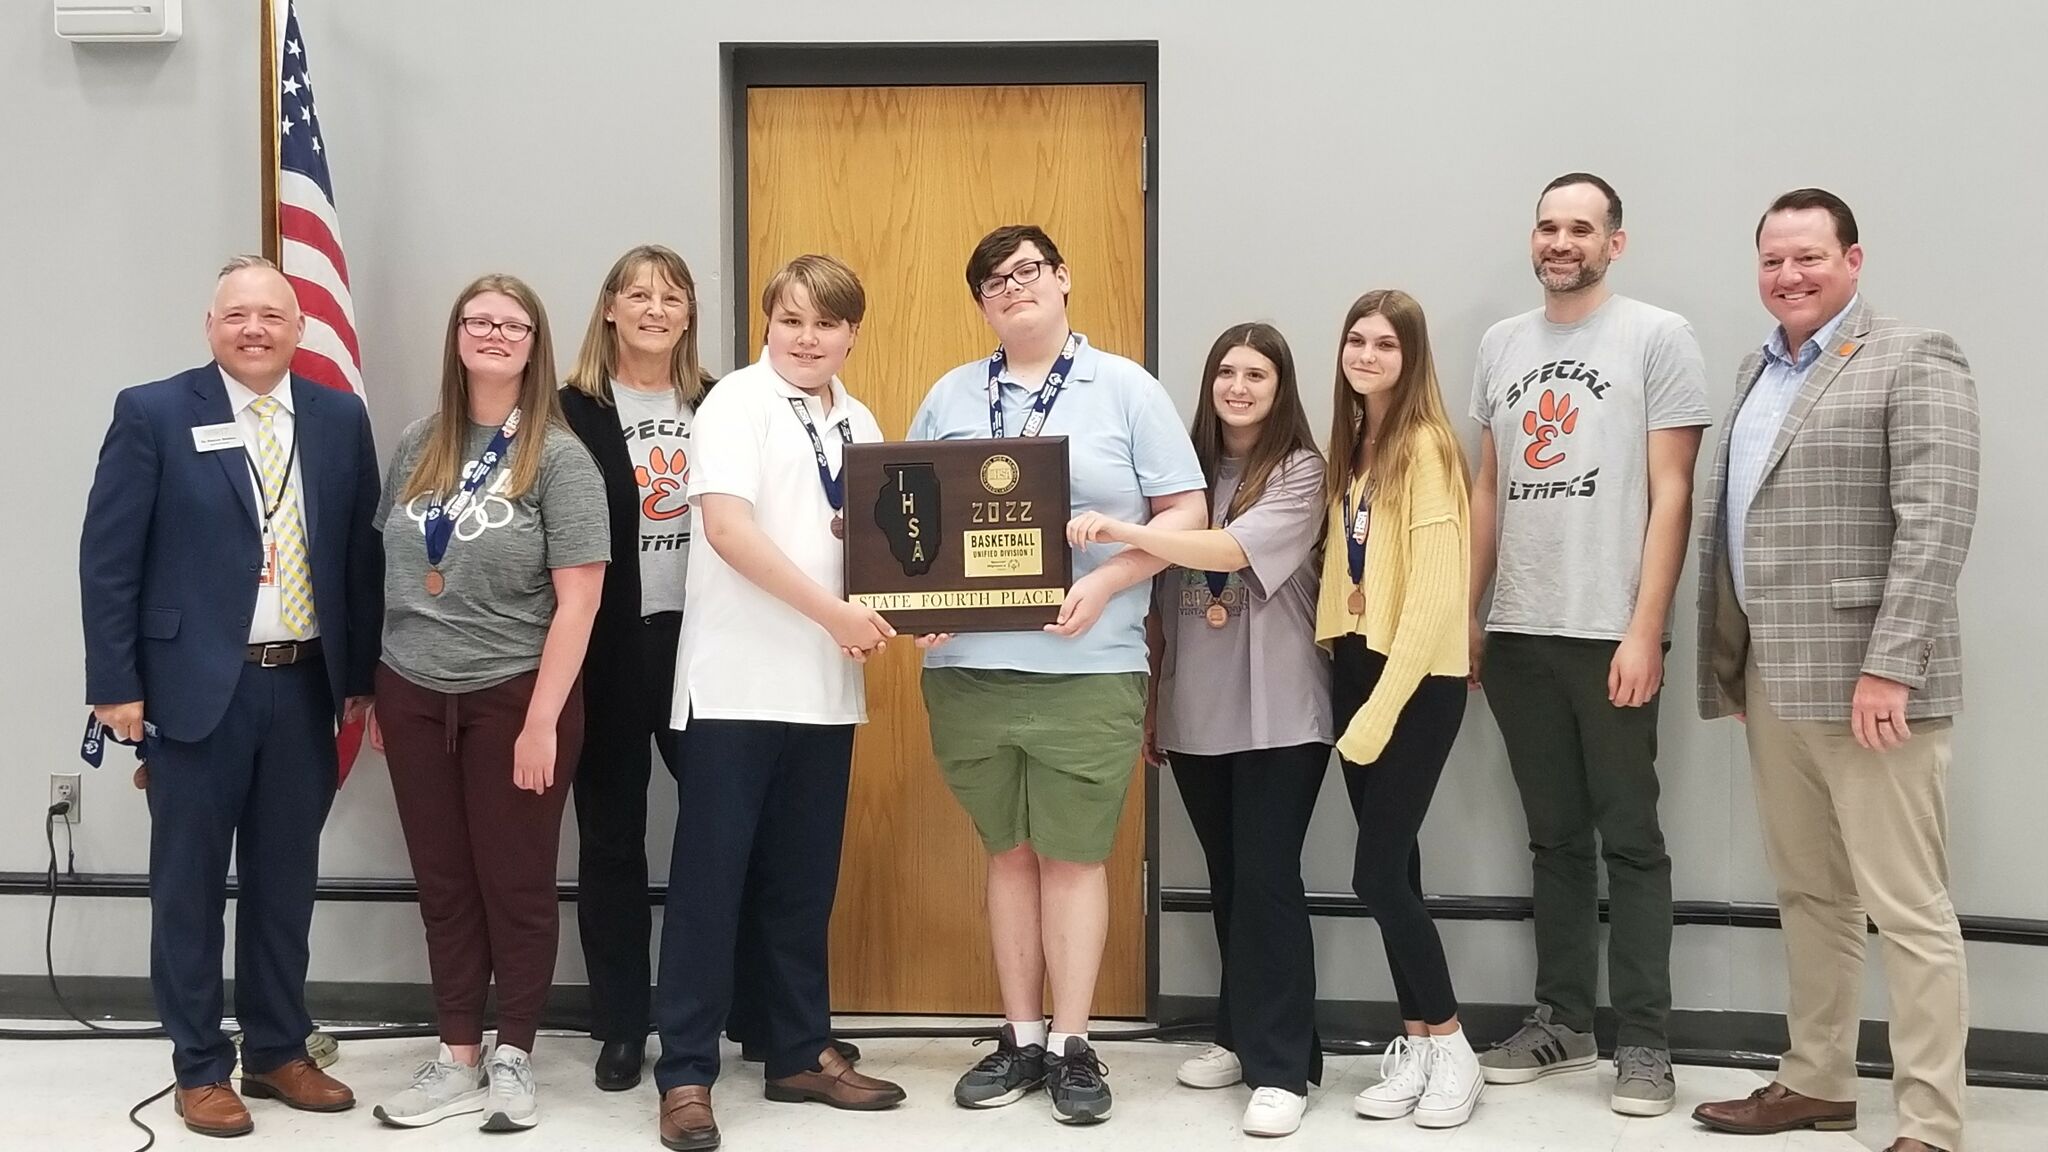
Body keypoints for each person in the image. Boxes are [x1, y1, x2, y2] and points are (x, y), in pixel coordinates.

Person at [1690, 189, 1979, 1152]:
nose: (1790, 275)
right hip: (1774, 682)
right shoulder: (1756, 369)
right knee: (1811, 895)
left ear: (1852, 260)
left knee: (1909, 909)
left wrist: (1892, 666)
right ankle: (1817, 1080)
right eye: (1773, 260)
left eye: (1809, 256)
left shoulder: (1914, 355)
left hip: (1873, 691)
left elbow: (1937, 520)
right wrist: (1735, 665)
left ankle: (1931, 1123)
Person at [79, 255, 380, 1137]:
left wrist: (360, 675)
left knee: (287, 883)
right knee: (190, 888)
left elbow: (359, 557)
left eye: (272, 316)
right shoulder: (154, 412)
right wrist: (115, 684)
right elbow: (108, 560)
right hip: (192, 692)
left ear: (299, 329)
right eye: (238, 315)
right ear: (210, 326)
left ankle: (279, 1049)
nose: (255, 329)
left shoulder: (338, 418)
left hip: (305, 684)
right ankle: (200, 1066)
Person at [914, 224, 1207, 1126]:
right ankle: (1021, 1036)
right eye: (993, 282)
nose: (1013, 288)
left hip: (1089, 667)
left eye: (1027, 271)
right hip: (969, 671)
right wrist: (918, 603)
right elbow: (911, 511)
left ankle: (1075, 1045)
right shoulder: (951, 393)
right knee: (1007, 854)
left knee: (1074, 858)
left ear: (1063, 278)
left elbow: (1187, 512)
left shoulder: (1126, 388)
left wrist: (1111, 578)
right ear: (981, 304)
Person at [1468, 173, 1710, 1116]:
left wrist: (1645, 628)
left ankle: (1645, 1041)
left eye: (1581, 227)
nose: (1560, 242)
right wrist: (1471, 614)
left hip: (1610, 631)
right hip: (1520, 633)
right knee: (1555, 838)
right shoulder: (1501, 344)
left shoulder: (1658, 336)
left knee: (1633, 841)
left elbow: (1673, 490)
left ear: (1616, 241)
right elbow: (1489, 489)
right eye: (1547, 226)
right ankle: (1564, 1020)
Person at [654, 255, 906, 1152]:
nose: (807, 337)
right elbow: (728, 531)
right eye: (791, 319)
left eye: (826, 323)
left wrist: (921, 611)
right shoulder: (736, 403)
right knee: (709, 887)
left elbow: (880, 548)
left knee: (802, 886)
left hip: (823, 691)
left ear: (852, 334)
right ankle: (686, 1073)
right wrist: (835, 613)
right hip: (735, 686)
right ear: (767, 322)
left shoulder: (860, 420)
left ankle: (799, 1051)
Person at [1069, 322, 1328, 1137]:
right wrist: (1156, 708)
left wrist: (1123, 532)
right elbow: (1157, 611)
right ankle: (1238, 1035)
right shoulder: (1184, 472)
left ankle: (1284, 1068)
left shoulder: (1301, 471)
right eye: (1226, 372)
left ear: (1281, 388)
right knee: (1228, 879)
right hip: (1196, 710)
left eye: (1256, 375)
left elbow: (1224, 551)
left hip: (1281, 713)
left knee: (1268, 879)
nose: (1238, 388)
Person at [369, 274, 609, 1132]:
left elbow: (580, 602)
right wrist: (381, 690)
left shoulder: (560, 457)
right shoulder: (419, 442)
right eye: (479, 321)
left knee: (516, 885)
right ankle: (457, 1054)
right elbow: (390, 569)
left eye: (513, 325)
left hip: (515, 697)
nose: (495, 334)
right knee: (443, 884)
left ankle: (515, 1054)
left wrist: (542, 720)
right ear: (458, 336)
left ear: (535, 345)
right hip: (413, 692)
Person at [1317, 290, 1481, 1130]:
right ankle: (1416, 1042)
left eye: (1386, 344)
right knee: (1400, 873)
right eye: (1357, 340)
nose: (1367, 355)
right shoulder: (1354, 444)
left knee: (1374, 875)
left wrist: (1381, 709)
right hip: (1355, 668)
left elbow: (1435, 600)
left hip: (1413, 683)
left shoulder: (1426, 446)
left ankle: (1454, 1046)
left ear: (1411, 357)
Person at [558, 244, 715, 1091]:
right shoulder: (568, 411)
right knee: (612, 838)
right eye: (639, 295)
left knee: (720, 831)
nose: (656, 309)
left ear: (689, 316)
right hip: (610, 644)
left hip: (707, 646)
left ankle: (725, 1009)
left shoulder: (721, 402)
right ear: (611, 308)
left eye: (672, 297)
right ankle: (620, 1023)